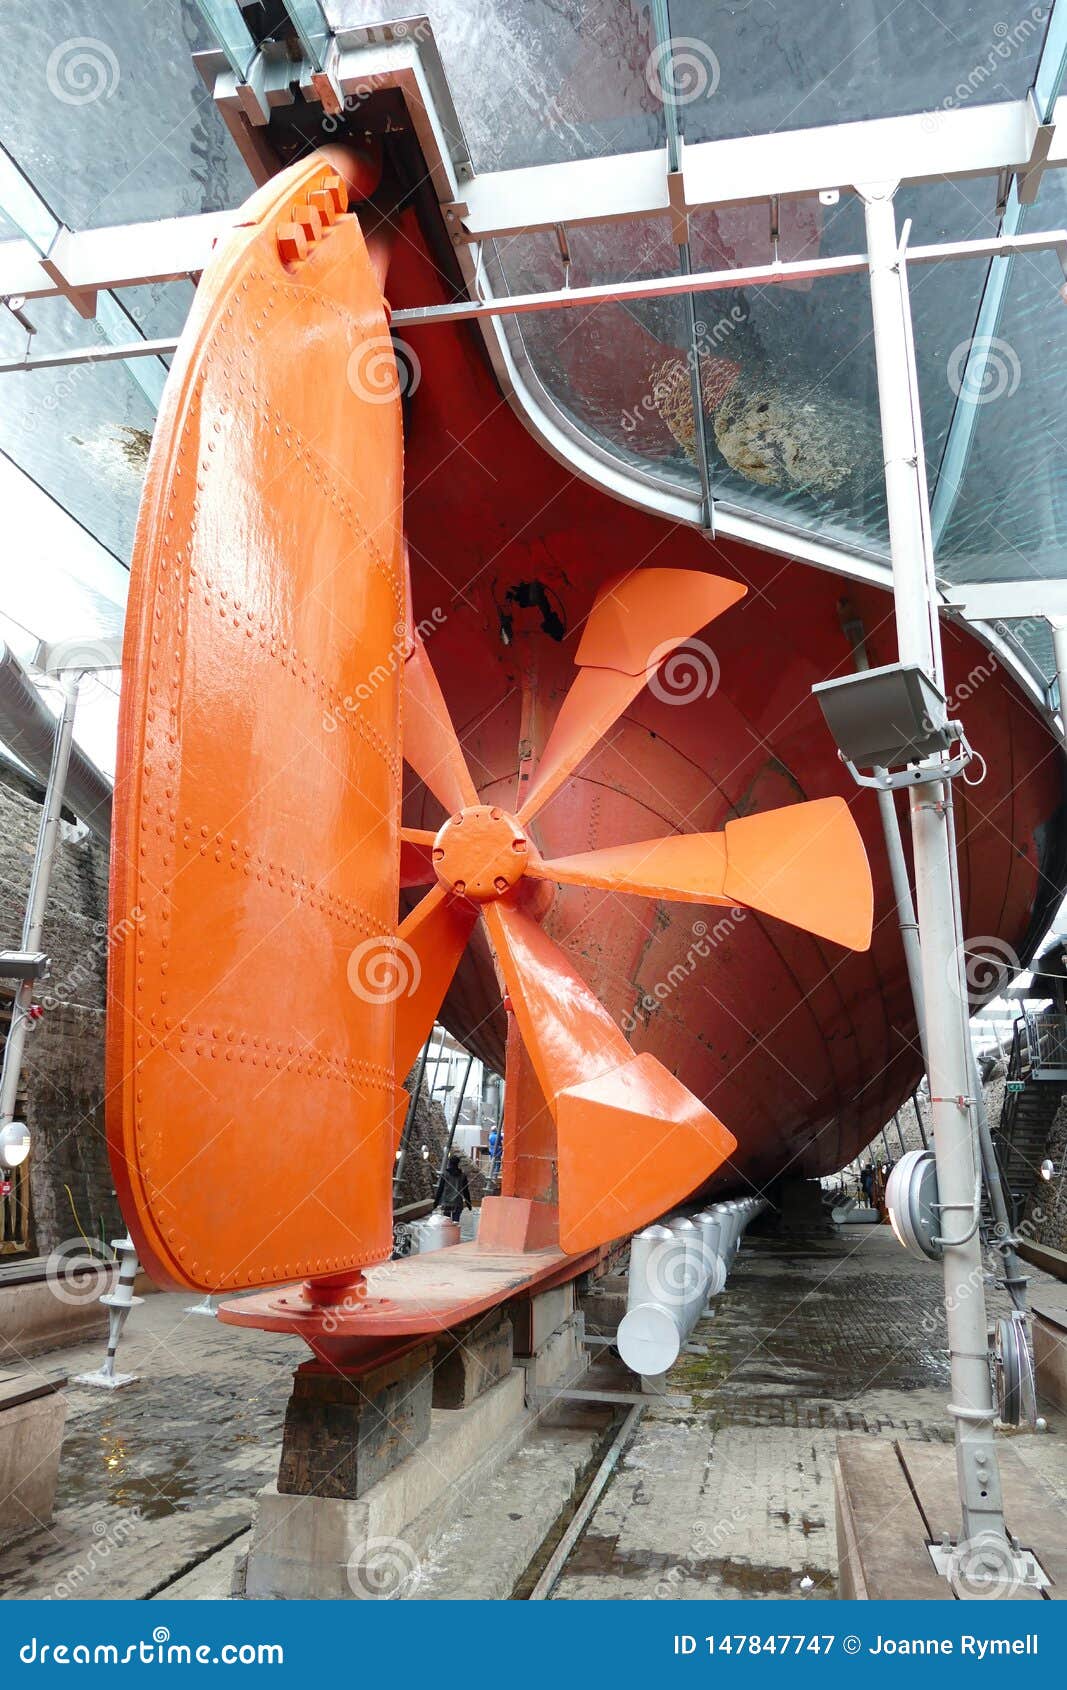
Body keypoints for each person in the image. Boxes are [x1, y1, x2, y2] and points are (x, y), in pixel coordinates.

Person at [439, 1152, 472, 1223]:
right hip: (457, 1203)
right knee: (456, 1223)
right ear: (458, 1163)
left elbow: (440, 1189)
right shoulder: (462, 1176)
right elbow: (466, 1191)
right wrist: (469, 1203)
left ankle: (447, 1234)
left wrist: (436, 1202)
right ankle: (456, 1233)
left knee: (446, 1222)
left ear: (449, 1163)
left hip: (446, 1202)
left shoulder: (444, 1174)